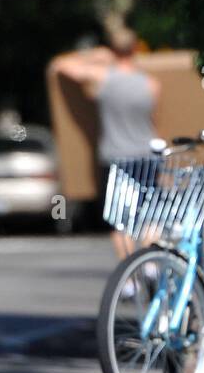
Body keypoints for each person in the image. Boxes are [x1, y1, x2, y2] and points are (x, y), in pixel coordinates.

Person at [51, 23, 161, 261]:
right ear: (135, 50)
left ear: (112, 50)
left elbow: (61, 65)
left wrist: (95, 55)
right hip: (147, 154)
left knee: (120, 220)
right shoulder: (151, 84)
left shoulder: (103, 77)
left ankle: (129, 275)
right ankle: (149, 265)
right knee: (150, 216)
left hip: (116, 156)